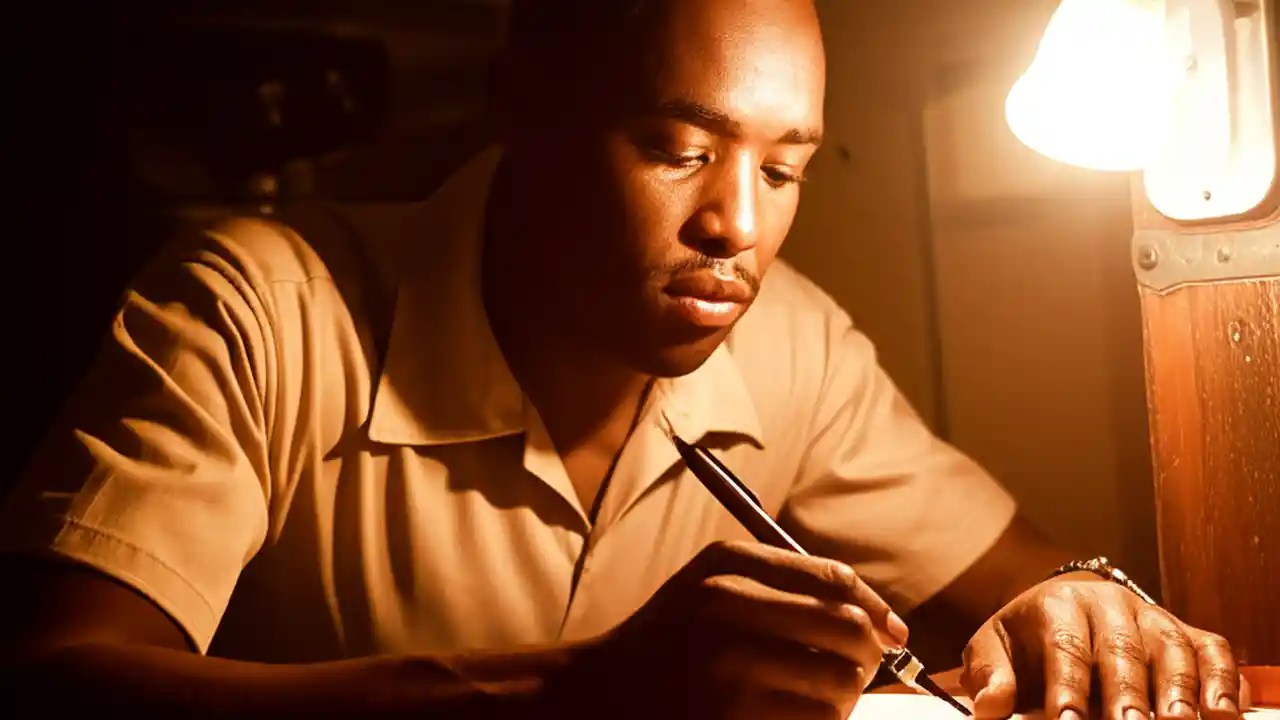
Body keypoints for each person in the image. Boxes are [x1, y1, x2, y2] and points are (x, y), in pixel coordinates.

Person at [0, 0, 1245, 718]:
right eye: (674, 147)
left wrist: (1077, 602)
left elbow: (1017, 584)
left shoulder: (787, 335)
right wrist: (573, 696)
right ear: (521, 109)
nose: (736, 230)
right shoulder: (259, 303)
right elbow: (54, 679)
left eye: (783, 168)